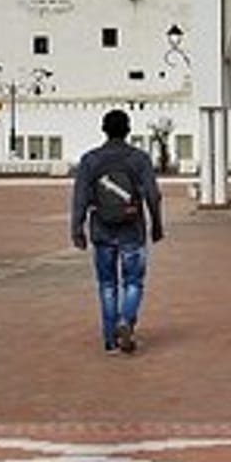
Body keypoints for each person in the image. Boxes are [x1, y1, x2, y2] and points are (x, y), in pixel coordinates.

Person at [70, 108, 164, 354]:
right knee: (133, 281)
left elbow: (80, 198)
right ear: (128, 130)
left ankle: (111, 339)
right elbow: (153, 195)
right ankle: (126, 320)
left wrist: (77, 228)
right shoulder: (138, 159)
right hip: (132, 228)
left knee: (107, 284)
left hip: (102, 228)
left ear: (104, 130)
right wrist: (156, 224)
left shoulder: (90, 160)